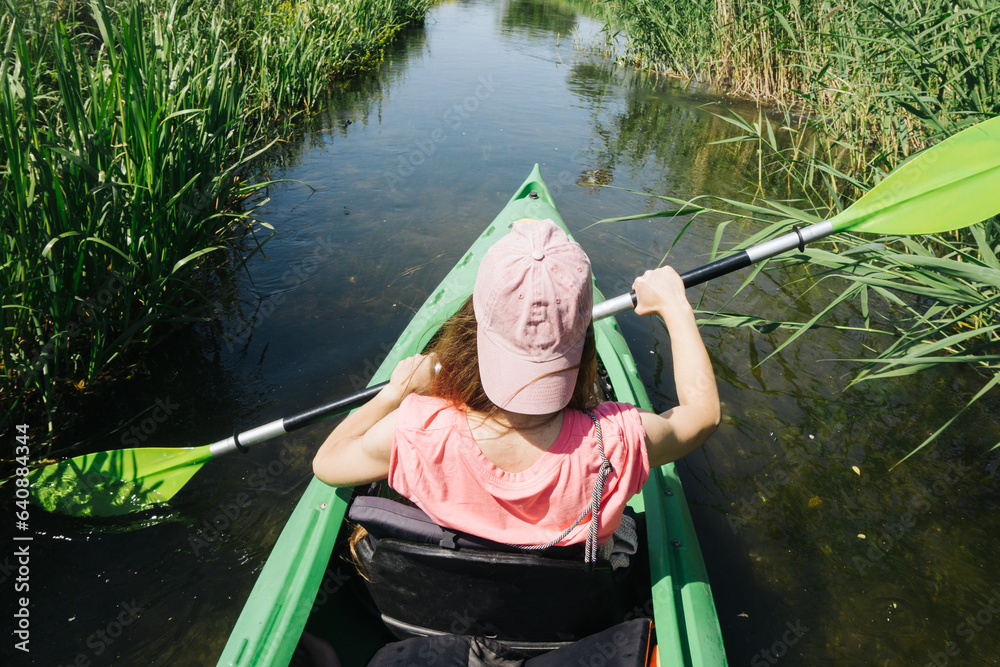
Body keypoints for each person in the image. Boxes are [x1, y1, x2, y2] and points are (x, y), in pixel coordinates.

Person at [312, 218, 719, 560]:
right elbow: (702, 416)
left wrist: (394, 394)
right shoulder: (616, 441)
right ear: (584, 342)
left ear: (472, 330)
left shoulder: (417, 429)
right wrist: (675, 307)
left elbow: (327, 463)